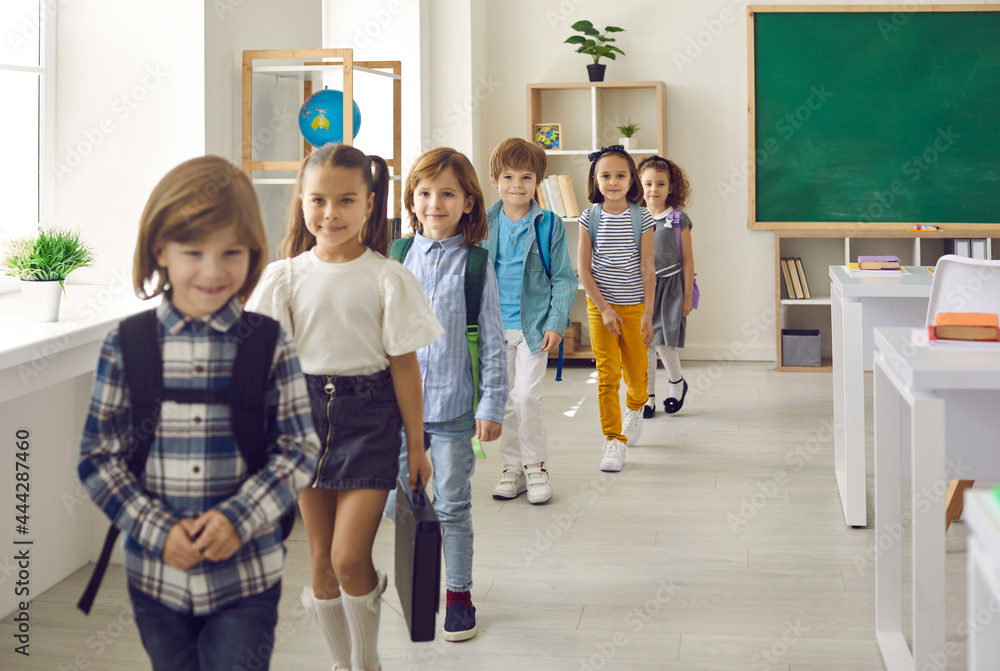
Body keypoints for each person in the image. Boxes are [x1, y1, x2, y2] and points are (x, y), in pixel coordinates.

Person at [78, 156, 320, 671]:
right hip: (155, 578)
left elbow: (299, 448)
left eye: (231, 252)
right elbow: (99, 457)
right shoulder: (126, 345)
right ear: (160, 250)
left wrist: (237, 519)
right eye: (193, 252)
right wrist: (157, 529)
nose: (213, 270)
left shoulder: (267, 344)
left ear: (252, 252)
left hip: (247, 576)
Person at [247, 143, 441, 671]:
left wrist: (418, 445)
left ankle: (367, 661)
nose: (330, 213)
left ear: (370, 204)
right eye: (318, 201)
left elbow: (405, 367)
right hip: (301, 420)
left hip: (370, 418)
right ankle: (346, 665)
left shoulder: (387, 277)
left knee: (349, 557)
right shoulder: (283, 277)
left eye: (346, 200)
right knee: (320, 562)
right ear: (302, 203)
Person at [384, 147, 508, 642]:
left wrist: (491, 403)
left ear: (469, 203)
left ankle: (458, 594)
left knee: (454, 504)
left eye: (448, 194)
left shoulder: (476, 266)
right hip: (396, 412)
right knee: (398, 501)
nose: (435, 203)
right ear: (411, 201)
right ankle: (423, 567)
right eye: (425, 193)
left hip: (455, 409)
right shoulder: (396, 257)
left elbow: (494, 340)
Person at [484, 138, 577, 504]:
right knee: (504, 400)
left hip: (533, 328)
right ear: (495, 180)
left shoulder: (548, 224)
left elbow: (565, 279)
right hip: (492, 328)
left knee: (527, 397)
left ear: (537, 180)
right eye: (508, 177)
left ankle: (536, 466)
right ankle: (512, 469)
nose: (517, 185)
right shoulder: (482, 222)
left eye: (526, 177)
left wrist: (556, 324)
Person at [577, 145, 655, 473]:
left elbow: (648, 267)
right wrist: (605, 309)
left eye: (620, 175)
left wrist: (649, 313)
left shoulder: (642, 216)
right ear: (595, 181)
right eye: (605, 175)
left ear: (631, 180)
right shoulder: (589, 217)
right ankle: (613, 440)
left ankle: (635, 408)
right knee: (607, 375)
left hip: (636, 307)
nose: (613, 181)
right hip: (600, 308)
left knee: (638, 377)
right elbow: (583, 270)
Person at [638, 155, 695, 418]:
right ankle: (647, 397)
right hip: (643, 288)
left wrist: (685, 298)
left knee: (664, 343)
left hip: (671, 288)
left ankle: (676, 386)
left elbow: (687, 259)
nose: (654, 190)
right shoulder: (635, 218)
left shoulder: (677, 219)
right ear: (639, 186)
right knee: (646, 344)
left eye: (660, 184)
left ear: (671, 187)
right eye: (648, 184)